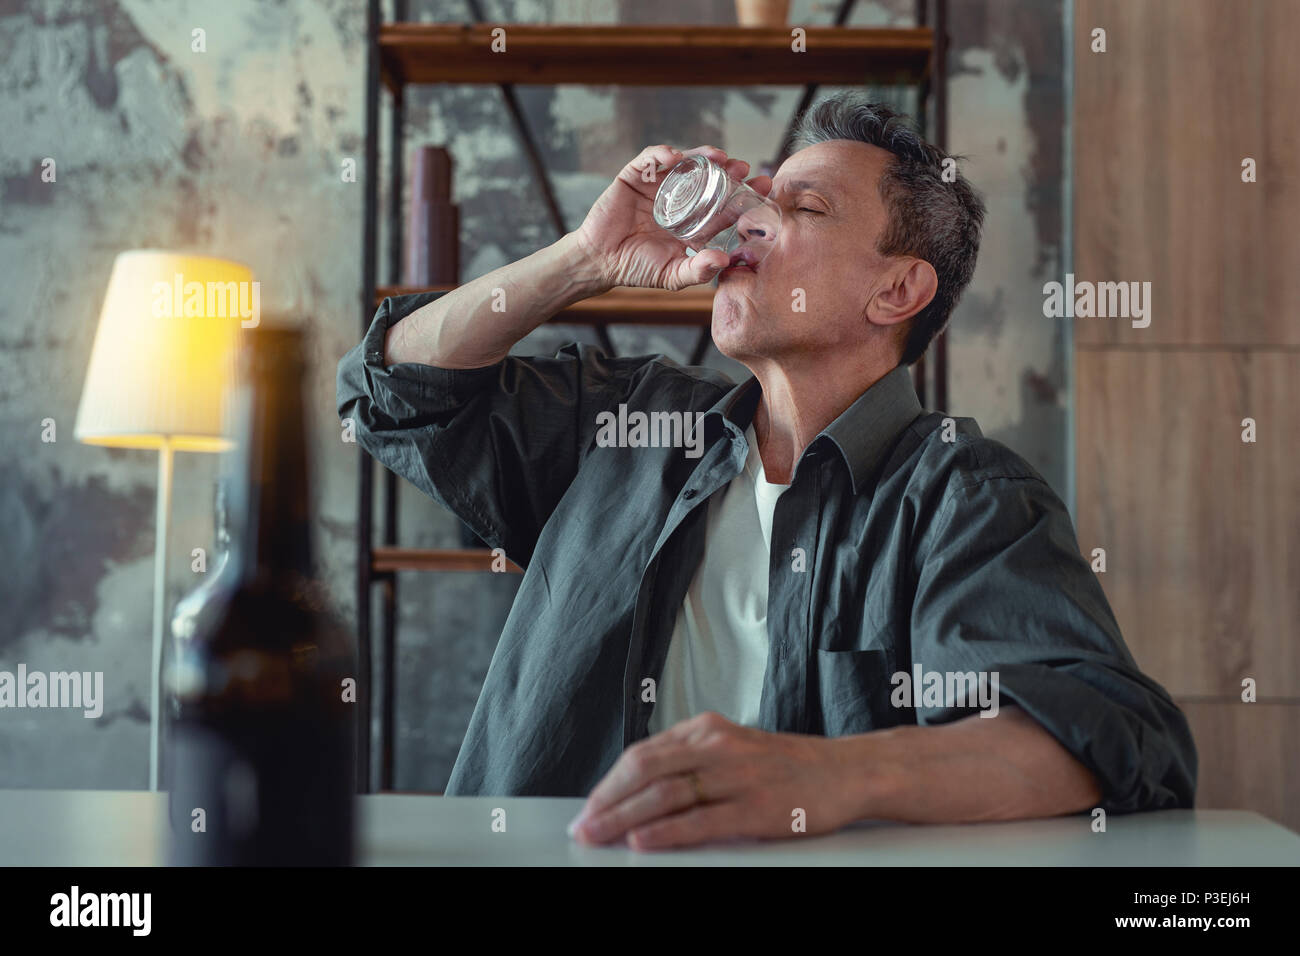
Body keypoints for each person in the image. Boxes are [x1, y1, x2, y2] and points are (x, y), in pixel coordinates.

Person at [337, 93, 1196, 851]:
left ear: (896, 290)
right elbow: (391, 390)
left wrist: (831, 776)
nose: (744, 222)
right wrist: (585, 259)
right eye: (760, 199)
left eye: (803, 208)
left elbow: (1106, 732)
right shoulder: (629, 424)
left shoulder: (962, 498)